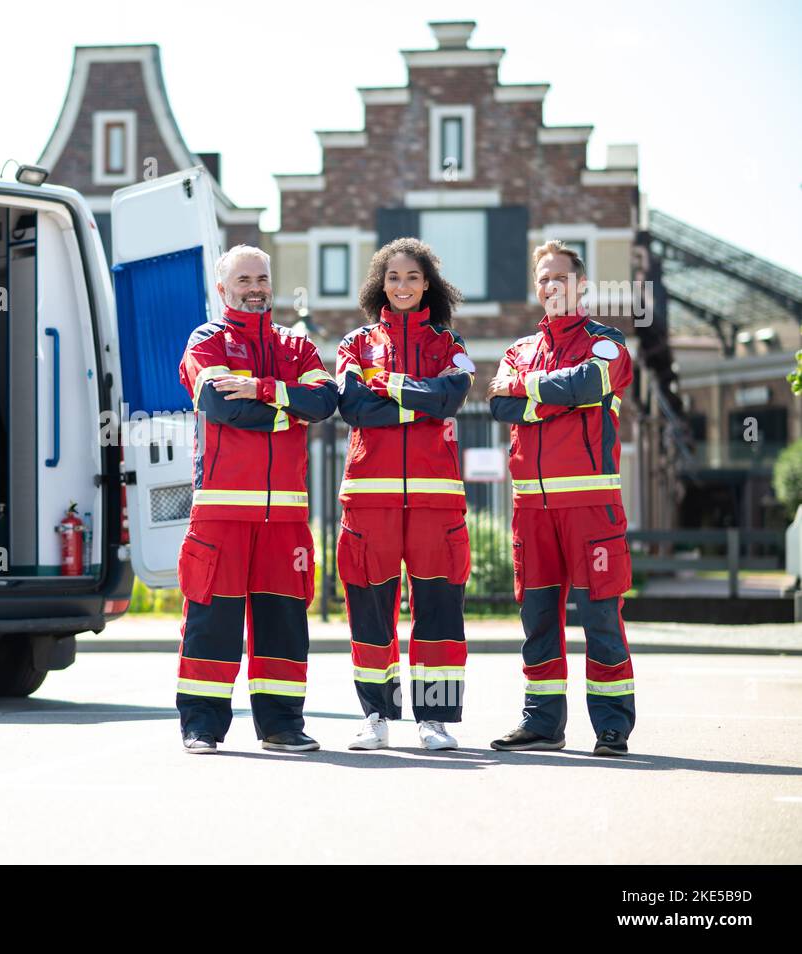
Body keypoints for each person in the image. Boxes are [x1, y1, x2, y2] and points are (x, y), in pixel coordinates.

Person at [175, 245, 337, 754]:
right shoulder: (206, 340)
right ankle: (201, 725)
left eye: (262, 278)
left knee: (284, 624)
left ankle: (281, 725)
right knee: (211, 621)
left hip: (285, 516)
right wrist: (290, 408)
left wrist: (266, 390)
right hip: (222, 511)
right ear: (222, 289)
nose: (255, 287)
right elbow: (220, 405)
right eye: (243, 279)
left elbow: (325, 400)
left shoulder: (297, 346)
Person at [487, 240, 636, 757]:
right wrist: (552, 396)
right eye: (544, 278)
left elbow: (589, 383)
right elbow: (499, 407)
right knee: (538, 619)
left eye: (561, 277)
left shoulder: (608, 342)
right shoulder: (518, 349)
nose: (552, 286)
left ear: (582, 284)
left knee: (601, 619)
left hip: (592, 509)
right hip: (532, 512)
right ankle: (543, 723)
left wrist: (528, 390)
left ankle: (612, 726)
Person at [335, 238, 474, 751]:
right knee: (371, 611)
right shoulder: (355, 343)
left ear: (427, 284)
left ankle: (433, 721)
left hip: (436, 504)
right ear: (380, 283)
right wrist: (421, 398)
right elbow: (352, 407)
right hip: (370, 501)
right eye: (393, 277)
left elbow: (452, 397)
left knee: (438, 612)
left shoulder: (449, 343)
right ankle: (376, 716)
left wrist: (389, 385)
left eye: (412, 277)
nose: (402, 286)